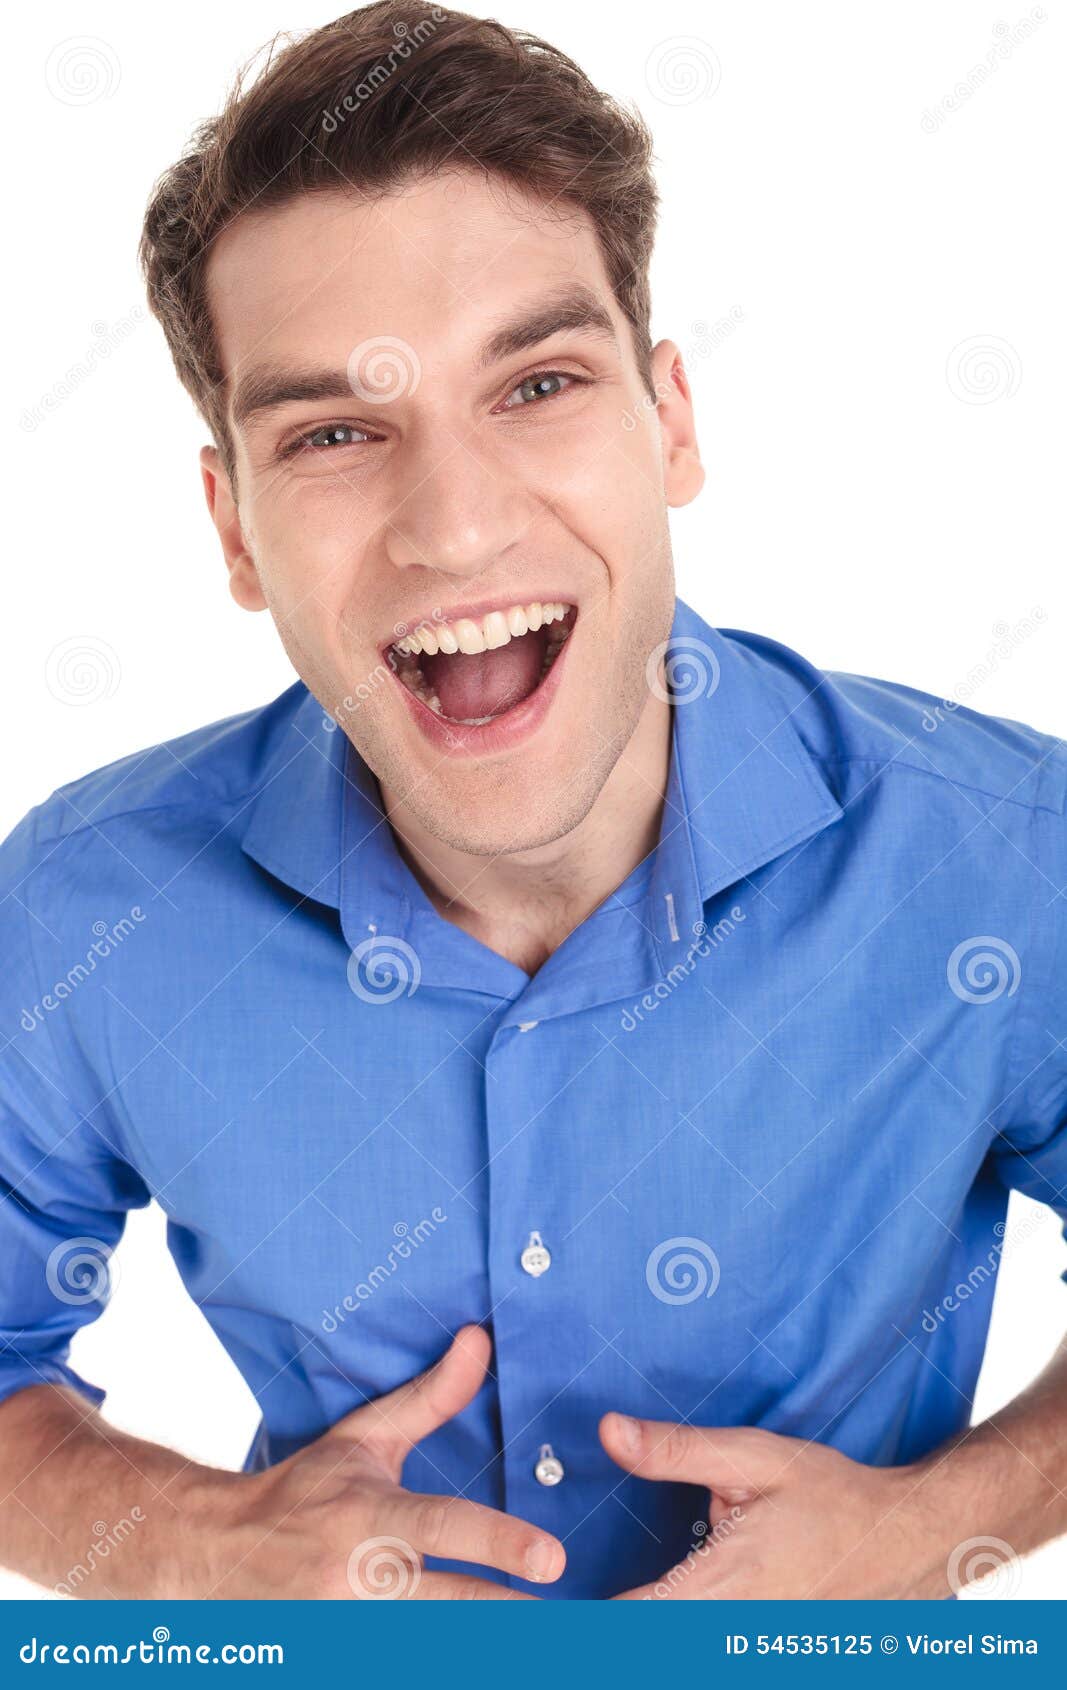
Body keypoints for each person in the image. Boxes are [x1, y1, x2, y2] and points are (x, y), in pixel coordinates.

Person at [1, 1, 1065, 1602]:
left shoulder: (1003, 855)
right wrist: (196, 1543)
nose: (455, 525)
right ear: (231, 525)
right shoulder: (86, 910)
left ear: (673, 420)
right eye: (338, 432)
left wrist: (931, 1521)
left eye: (538, 384)